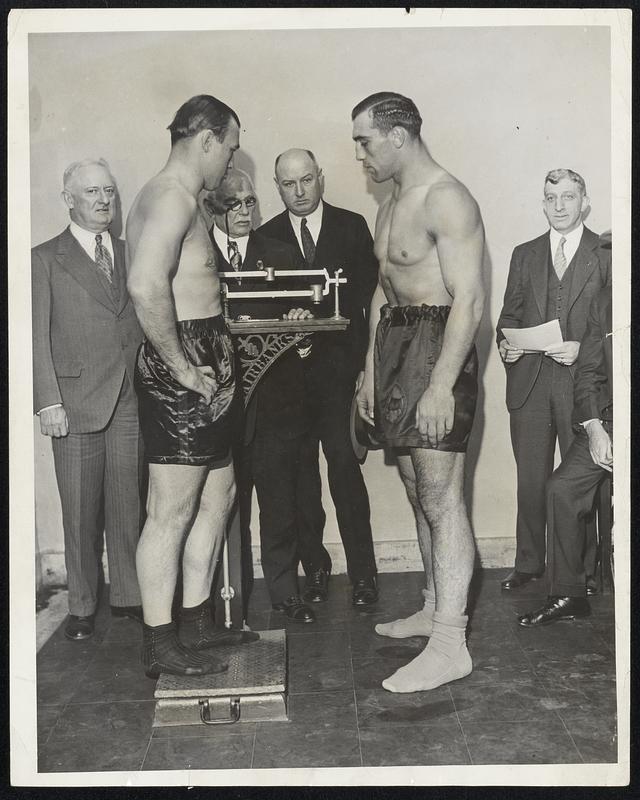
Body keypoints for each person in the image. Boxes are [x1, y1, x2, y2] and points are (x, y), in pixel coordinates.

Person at [352, 91, 485, 693]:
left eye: (365, 141)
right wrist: (369, 372)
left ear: (398, 135)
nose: (360, 153)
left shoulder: (447, 198)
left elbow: (470, 301)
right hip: (397, 344)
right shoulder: (390, 203)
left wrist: (440, 385)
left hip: (438, 348)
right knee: (415, 490)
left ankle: (451, 643)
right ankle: (434, 608)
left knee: (442, 495)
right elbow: (386, 295)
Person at [126, 95, 258, 679]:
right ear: (206, 139)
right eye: (228, 149)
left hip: (208, 357)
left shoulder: (190, 202)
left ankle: (198, 620)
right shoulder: (169, 198)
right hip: (183, 367)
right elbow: (144, 283)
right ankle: (160, 643)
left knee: (218, 497)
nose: (229, 163)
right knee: (171, 510)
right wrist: (181, 367)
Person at [258, 148, 380, 607]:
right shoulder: (265, 236)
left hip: (340, 379)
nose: (299, 191)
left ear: (321, 177)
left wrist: (364, 371)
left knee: (346, 474)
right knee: (301, 480)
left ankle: (364, 575)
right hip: (288, 385)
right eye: (288, 184)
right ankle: (316, 569)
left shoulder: (352, 227)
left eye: (307, 180)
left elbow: (370, 306)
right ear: (277, 186)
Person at [202, 168, 321, 623]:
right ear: (211, 208)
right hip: (220, 406)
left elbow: (307, 330)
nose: (243, 212)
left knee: (280, 502)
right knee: (222, 506)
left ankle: (286, 594)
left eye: (250, 202)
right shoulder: (198, 255)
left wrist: (301, 333)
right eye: (232, 204)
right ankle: (222, 600)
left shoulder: (282, 253)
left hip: (277, 406)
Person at [32, 158, 143, 641]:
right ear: (69, 199)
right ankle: (80, 605)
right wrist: (46, 401)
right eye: (93, 192)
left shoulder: (130, 250)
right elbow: (34, 338)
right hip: (74, 402)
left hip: (130, 397)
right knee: (79, 509)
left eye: (110, 192)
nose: (103, 201)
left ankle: (129, 596)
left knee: (128, 503)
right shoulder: (44, 258)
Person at [497, 170, 611, 592]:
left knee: (579, 484)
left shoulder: (605, 253)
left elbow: (615, 325)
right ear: (542, 203)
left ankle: (583, 571)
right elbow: (508, 318)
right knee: (530, 479)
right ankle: (528, 562)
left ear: (585, 202)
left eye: (568, 197)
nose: (559, 206)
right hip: (530, 382)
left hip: (583, 385)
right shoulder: (524, 254)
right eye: (550, 198)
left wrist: (582, 347)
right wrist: (506, 346)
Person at [518, 284, 612, 626]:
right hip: (609, 424)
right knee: (560, 488)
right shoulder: (605, 300)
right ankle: (568, 594)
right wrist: (595, 427)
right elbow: (588, 372)